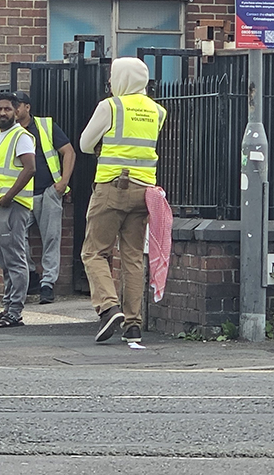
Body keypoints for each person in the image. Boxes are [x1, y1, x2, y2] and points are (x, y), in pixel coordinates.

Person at [78, 58, 167, 345]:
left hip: (112, 187)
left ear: (121, 78)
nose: (109, 82)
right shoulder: (158, 111)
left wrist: (100, 147)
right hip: (145, 192)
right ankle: (133, 324)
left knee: (94, 252)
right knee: (132, 257)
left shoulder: (111, 106)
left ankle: (108, 307)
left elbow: (84, 144)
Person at [0, 93, 36, 328]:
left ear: (16, 112)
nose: (3, 113)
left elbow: (30, 168)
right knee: (3, 259)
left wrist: (9, 196)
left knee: (15, 258)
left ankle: (15, 310)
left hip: (13, 205)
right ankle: (7, 307)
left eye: (8, 109)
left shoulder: (20, 136)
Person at [14, 91, 75, 304]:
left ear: (27, 107)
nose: (14, 109)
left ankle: (48, 283)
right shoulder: (6, 130)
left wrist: (63, 182)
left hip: (47, 191)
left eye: (18, 105)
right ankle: (30, 274)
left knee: (51, 238)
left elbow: (69, 151)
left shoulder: (45, 126)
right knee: (16, 236)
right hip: (20, 194)